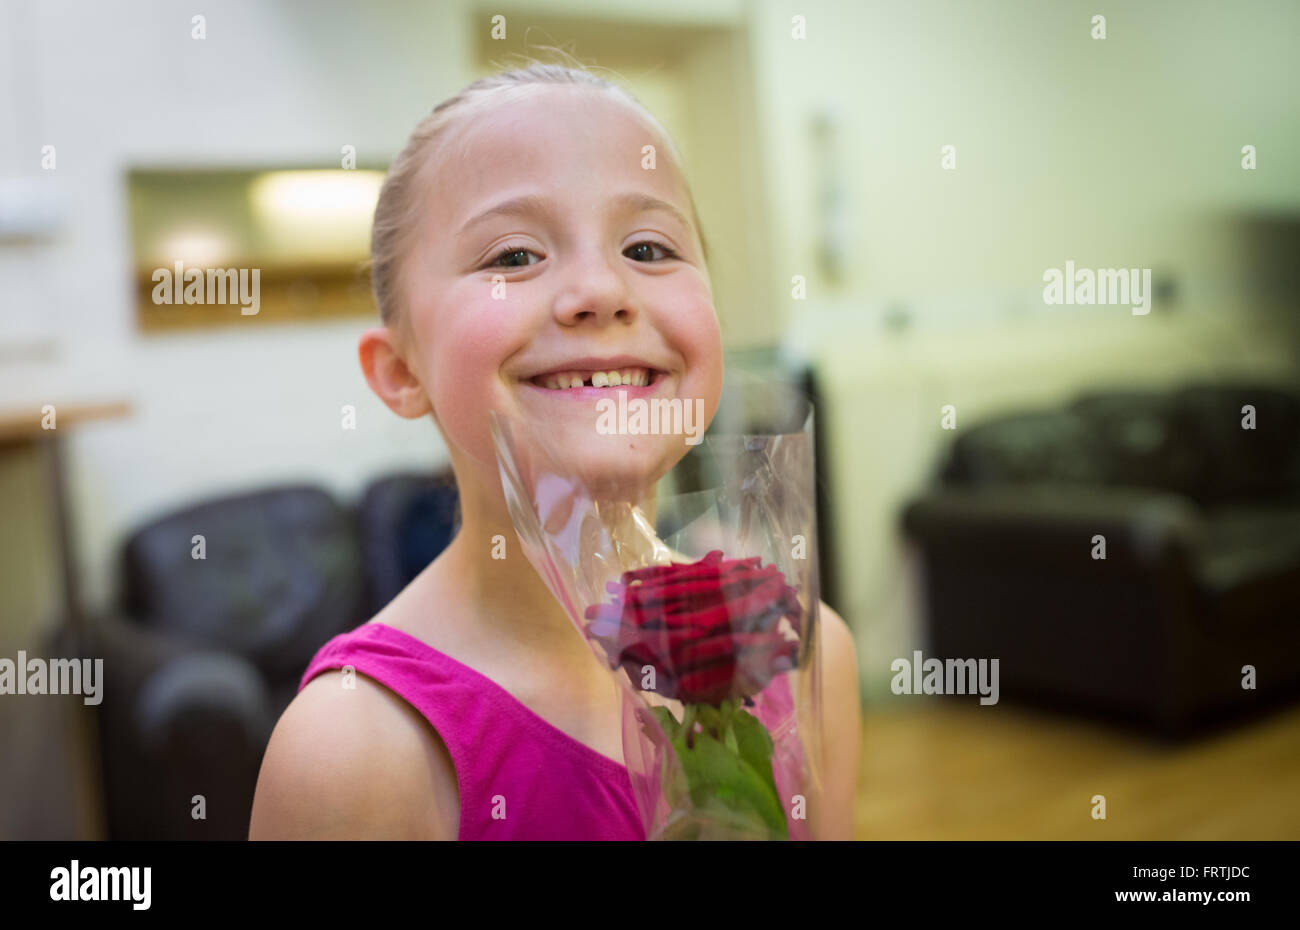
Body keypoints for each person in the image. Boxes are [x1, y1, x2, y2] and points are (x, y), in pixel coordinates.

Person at [249, 57, 860, 840]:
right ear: (401, 371)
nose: (602, 292)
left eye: (646, 248)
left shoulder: (803, 656)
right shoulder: (354, 746)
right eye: (513, 257)